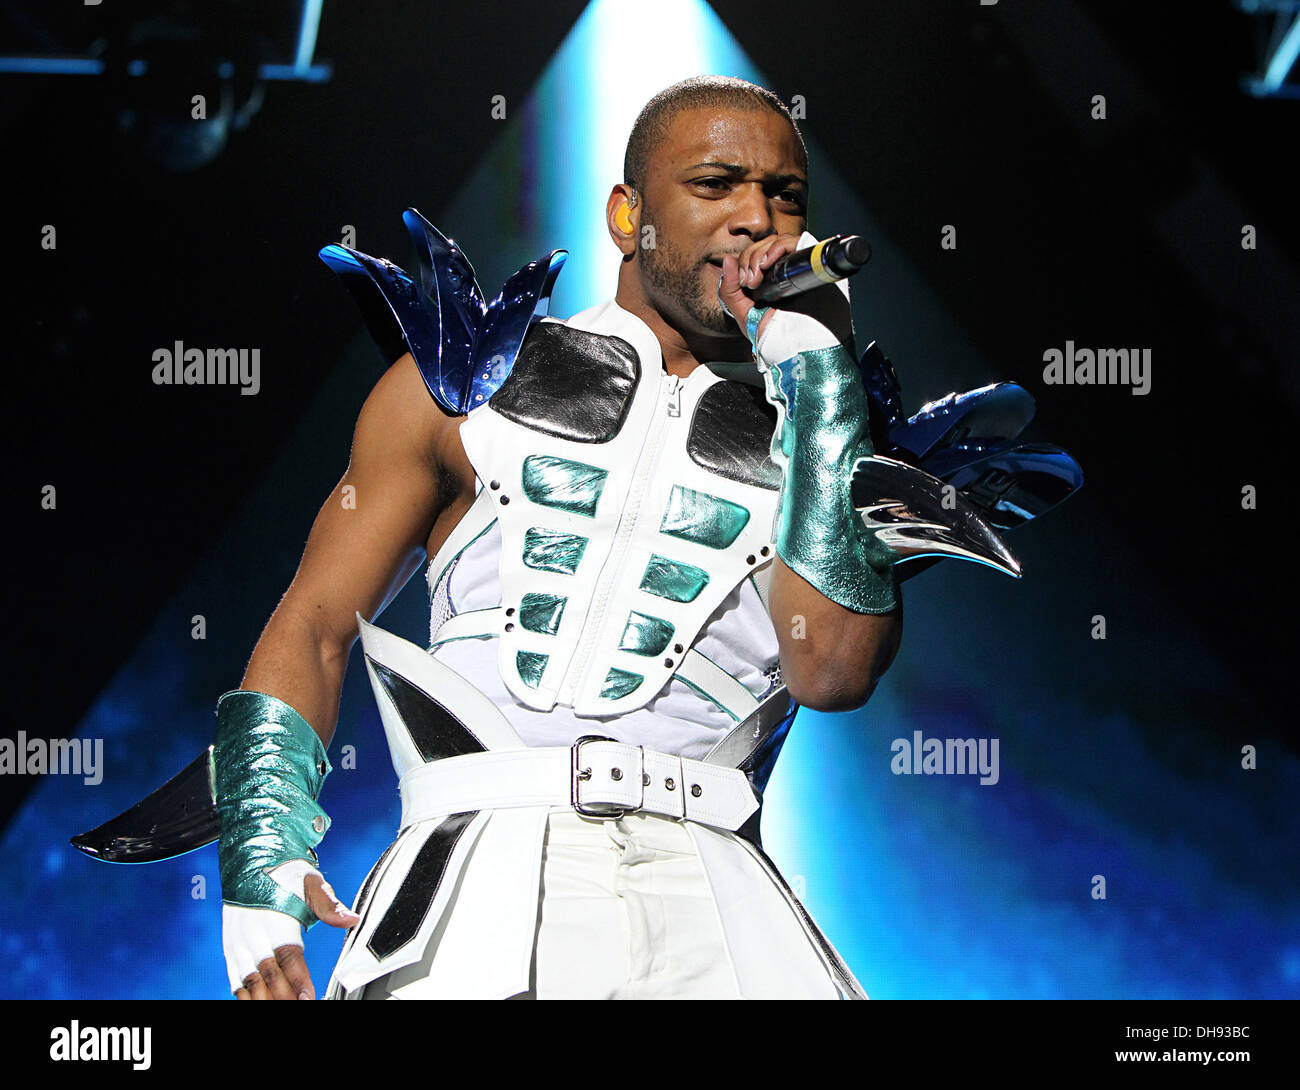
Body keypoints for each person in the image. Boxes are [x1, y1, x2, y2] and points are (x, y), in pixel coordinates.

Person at [212, 74, 998, 1001]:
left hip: (717, 902)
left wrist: (825, 401)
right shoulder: (464, 389)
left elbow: (832, 675)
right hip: (479, 884)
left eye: (783, 194)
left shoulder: (828, 452)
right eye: (716, 184)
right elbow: (313, 622)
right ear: (630, 217)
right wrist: (262, 863)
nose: (756, 219)